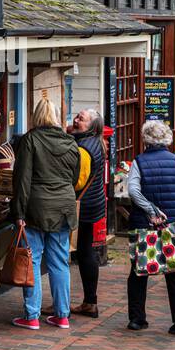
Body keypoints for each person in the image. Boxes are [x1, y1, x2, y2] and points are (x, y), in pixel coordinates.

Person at [11, 95, 80, 330]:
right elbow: (73, 177)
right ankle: (62, 315)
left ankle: (32, 316)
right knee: (60, 262)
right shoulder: (71, 143)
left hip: (35, 208)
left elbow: (22, 180)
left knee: (32, 261)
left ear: (36, 115)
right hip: (64, 207)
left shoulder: (30, 140)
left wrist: (18, 212)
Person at [125, 120, 175, 336]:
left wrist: (150, 210)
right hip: (174, 223)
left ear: (145, 139)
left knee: (138, 270)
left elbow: (133, 191)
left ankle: (137, 319)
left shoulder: (140, 162)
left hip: (144, 223)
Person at [70, 108, 108, 317]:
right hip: (94, 204)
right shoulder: (96, 141)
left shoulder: (84, 148)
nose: (76, 120)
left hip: (83, 207)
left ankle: (89, 302)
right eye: (77, 116)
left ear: (91, 126)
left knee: (84, 253)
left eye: (81, 119)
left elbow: (78, 182)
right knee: (87, 252)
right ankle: (89, 301)